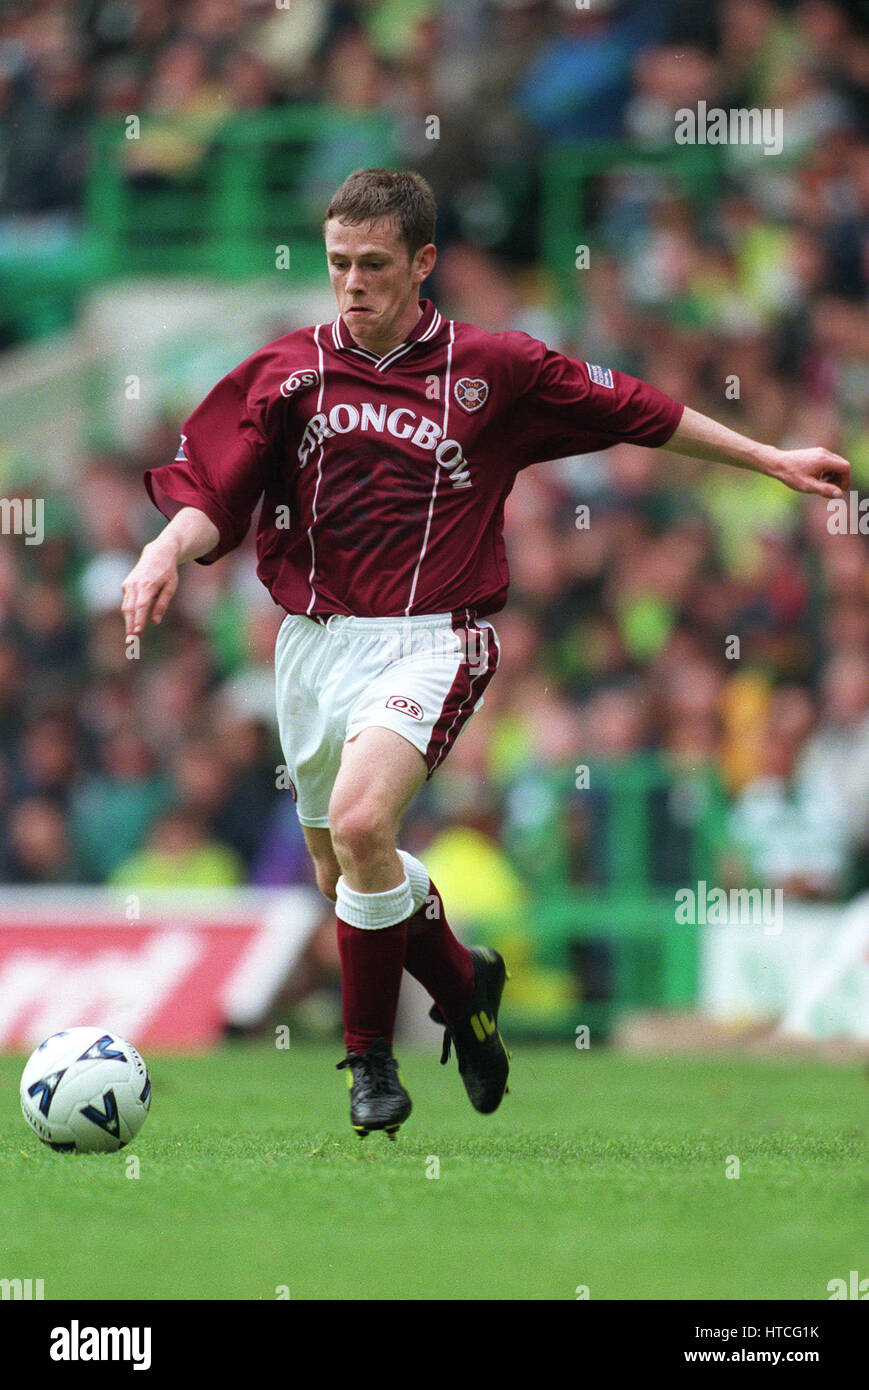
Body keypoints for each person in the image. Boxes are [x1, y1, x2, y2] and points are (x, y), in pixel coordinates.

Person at [121, 168, 851, 1139]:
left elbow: (632, 407)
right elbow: (214, 487)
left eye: (373, 265)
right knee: (344, 877)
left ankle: (371, 1064)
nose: (350, 283)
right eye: (337, 263)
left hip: (432, 637)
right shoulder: (285, 373)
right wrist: (162, 549)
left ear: (423, 263)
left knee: (360, 821)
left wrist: (764, 456)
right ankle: (465, 987)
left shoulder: (491, 370)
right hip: (310, 652)